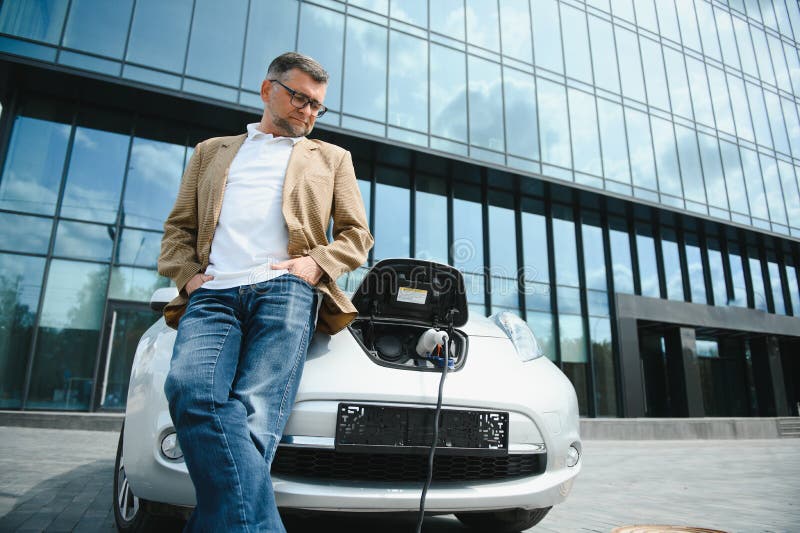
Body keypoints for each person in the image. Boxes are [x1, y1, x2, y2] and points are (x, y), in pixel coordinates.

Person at [158, 52, 373, 532]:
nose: (309, 112)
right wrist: (190, 275)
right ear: (267, 90)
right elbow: (177, 230)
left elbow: (357, 235)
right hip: (213, 293)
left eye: (317, 105)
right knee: (190, 390)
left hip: (286, 289)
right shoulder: (211, 152)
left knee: (256, 418)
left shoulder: (332, 158)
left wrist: (314, 265)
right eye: (300, 98)